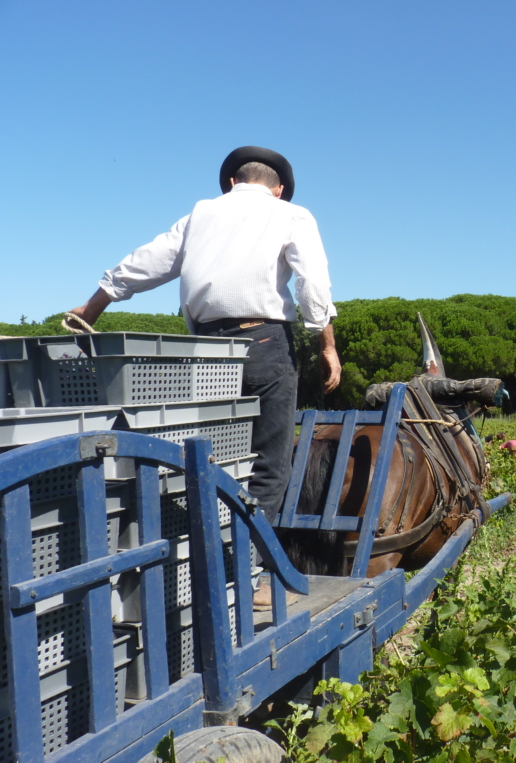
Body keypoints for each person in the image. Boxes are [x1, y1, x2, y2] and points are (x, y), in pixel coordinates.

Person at [70, 147, 342, 607]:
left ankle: (197, 566)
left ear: (233, 182)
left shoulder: (200, 214)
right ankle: (253, 576)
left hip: (203, 353)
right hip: (263, 344)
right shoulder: (292, 214)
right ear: (278, 189)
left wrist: (92, 307)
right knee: (269, 464)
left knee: (210, 460)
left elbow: (146, 262)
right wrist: (327, 345)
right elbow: (312, 284)